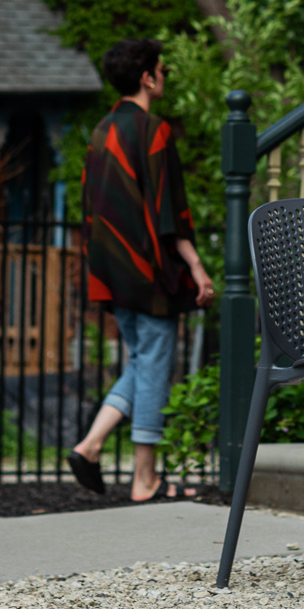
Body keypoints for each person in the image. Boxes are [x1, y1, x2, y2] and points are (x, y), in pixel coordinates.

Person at [68, 38, 214, 501]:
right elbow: (170, 212)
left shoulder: (100, 132)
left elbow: (90, 209)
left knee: (143, 360)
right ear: (148, 77)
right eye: (162, 70)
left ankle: (91, 446)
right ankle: (144, 479)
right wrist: (196, 267)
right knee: (154, 364)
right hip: (149, 271)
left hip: (110, 270)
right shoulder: (153, 131)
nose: (165, 76)